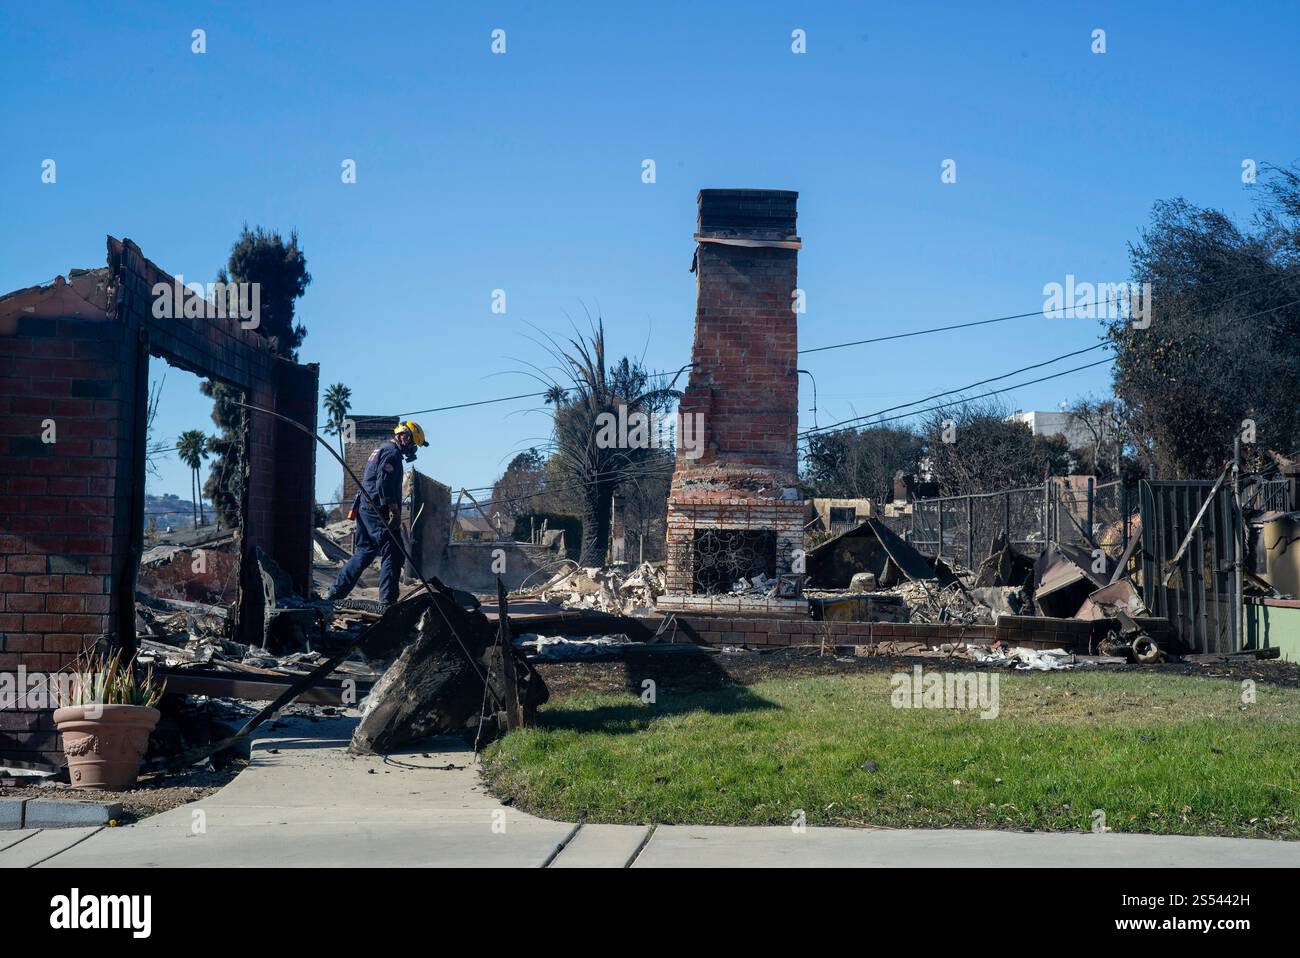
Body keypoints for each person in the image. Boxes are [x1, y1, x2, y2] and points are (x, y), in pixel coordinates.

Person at [324, 419, 428, 607]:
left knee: (365, 552)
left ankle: (334, 593)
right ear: (403, 436)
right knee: (394, 553)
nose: (413, 449)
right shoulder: (392, 452)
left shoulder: (382, 448)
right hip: (377, 510)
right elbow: (384, 483)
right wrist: (394, 511)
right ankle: (387, 604)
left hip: (366, 507)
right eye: (413, 444)